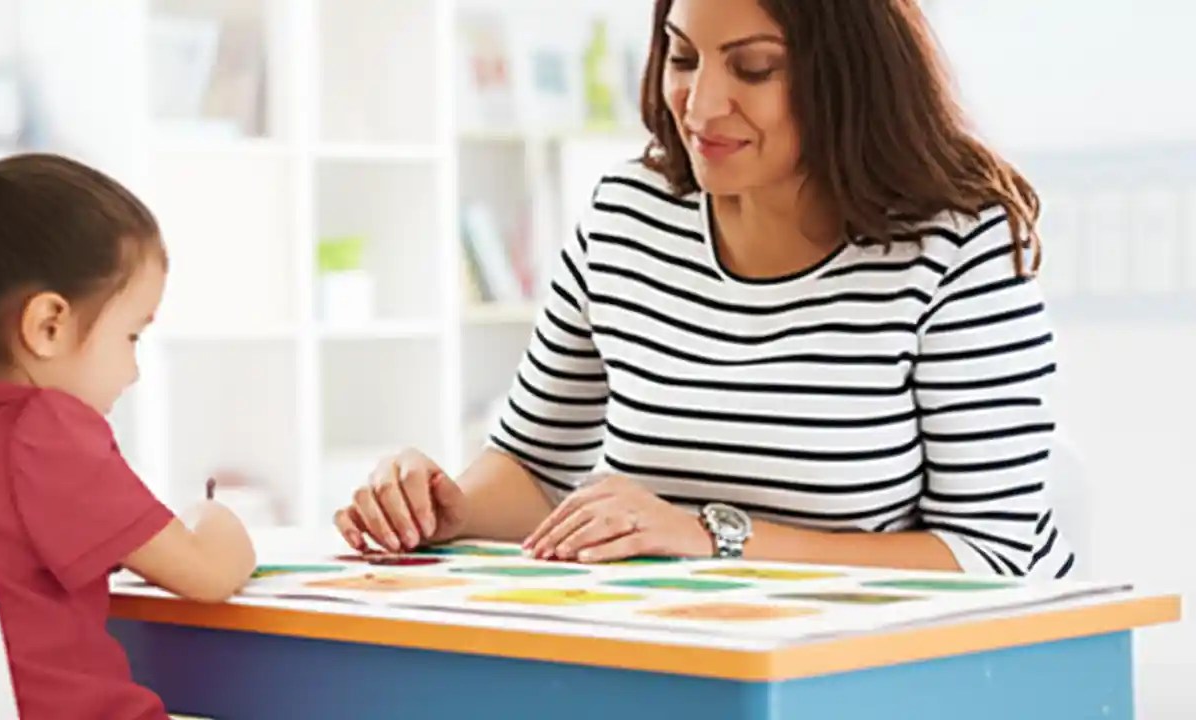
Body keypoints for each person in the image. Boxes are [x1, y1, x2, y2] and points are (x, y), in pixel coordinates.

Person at [334, 0, 1074, 579]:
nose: (700, 104)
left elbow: (988, 555)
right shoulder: (628, 215)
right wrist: (442, 510)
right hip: (694, 657)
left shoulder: (960, 245)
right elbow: (535, 466)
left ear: (850, 75)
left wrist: (708, 537)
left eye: (753, 69)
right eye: (682, 57)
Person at [0, 152, 256, 719]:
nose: (134, 370)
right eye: (131, 337)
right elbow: (209, 573)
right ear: (49, 326)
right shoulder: (45, 433)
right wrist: (214, 517)